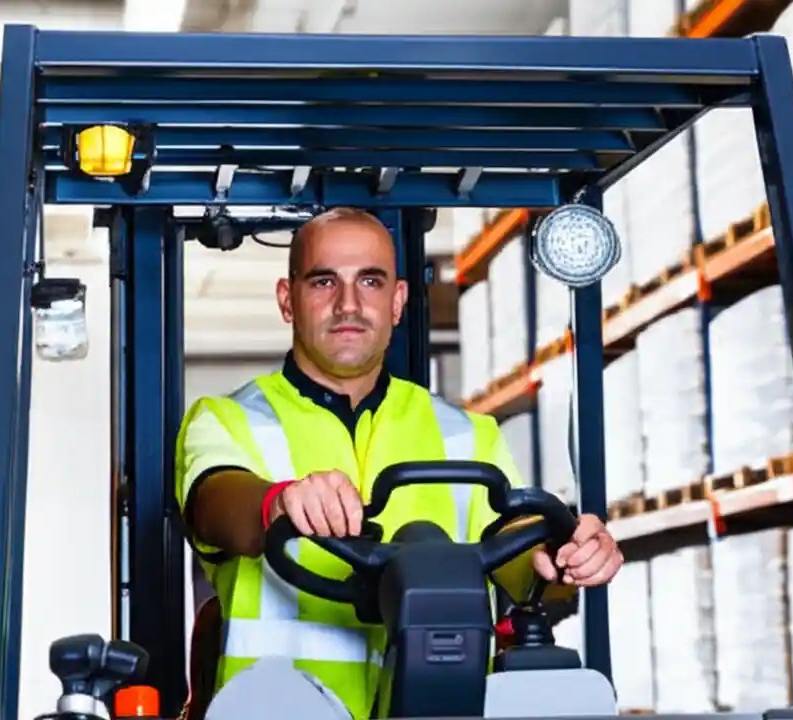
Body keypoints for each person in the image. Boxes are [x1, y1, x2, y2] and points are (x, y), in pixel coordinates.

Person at [174, 207, 623, 720]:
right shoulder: (227, 420)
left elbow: (522, 553)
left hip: (438, 708)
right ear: (287, 299)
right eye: (324, 281)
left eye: (370, 280)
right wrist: (279, 502)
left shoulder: (468, 435)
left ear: (398, 301)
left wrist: (567, 554)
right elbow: (214, 505)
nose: (348, 303)